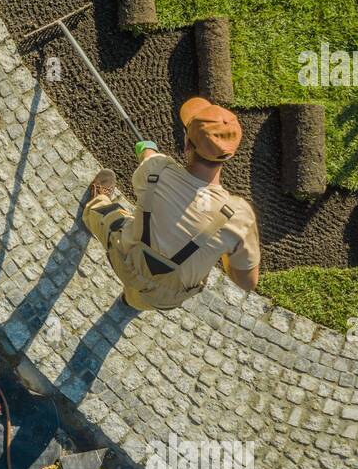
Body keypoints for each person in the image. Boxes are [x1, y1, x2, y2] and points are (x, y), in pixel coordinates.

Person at [82, 97, 261, 311]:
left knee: (101, 212)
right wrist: (225, 252)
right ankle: (130, 302)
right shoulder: (239, 218)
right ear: (229, 155)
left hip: (125, 257)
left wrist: (147, 150)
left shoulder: (156, 169)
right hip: (166, 294)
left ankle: (96, 202)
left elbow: (148, 163)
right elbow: (247, 282)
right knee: (143, 300)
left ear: (186, 144)